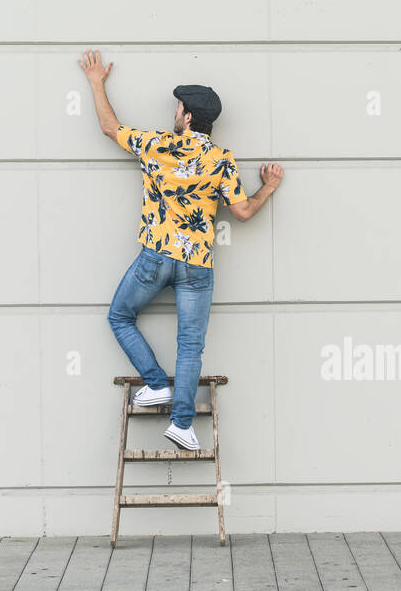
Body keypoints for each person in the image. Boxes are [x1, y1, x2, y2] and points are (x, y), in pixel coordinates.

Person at [77, 48, 283, 449]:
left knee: (120, 316)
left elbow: (108, 126)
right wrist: (269, 187)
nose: (174, 112)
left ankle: (155, 383)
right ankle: (182, 425)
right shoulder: (221, 159)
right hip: (197, 265)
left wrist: (96, 82)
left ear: (187, 117)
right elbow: (241, 212)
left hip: (156, 256)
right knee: (190, 344)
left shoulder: (156, 145)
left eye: (178, 108)